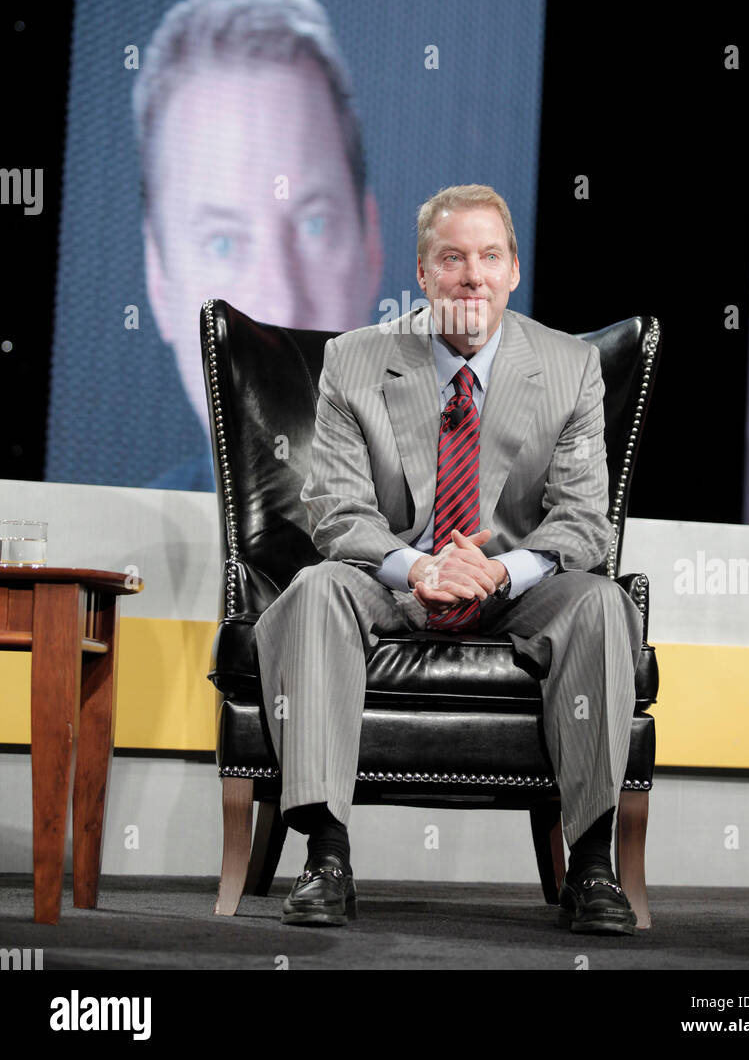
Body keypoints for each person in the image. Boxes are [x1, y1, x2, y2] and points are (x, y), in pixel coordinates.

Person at [255, 183, 644, 935]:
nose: (473, 274)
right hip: (392, 581)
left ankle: (593, 867)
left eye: (489, 256)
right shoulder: (355, 360)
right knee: (313, 588)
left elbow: (583, 521)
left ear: (514, 271)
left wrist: (500, 570)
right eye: (452, 258)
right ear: (423, 275)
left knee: (600, 600)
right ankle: (327, 857)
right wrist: (419, 567)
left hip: (515, 588)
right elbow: (337, 511)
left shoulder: (569, 368)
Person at [132, 0, 383, 489]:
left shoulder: (489, 534)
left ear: (370, 245)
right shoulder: (109, 554)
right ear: (160, 283)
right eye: (222, 242)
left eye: (315, 225)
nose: (283, 308)